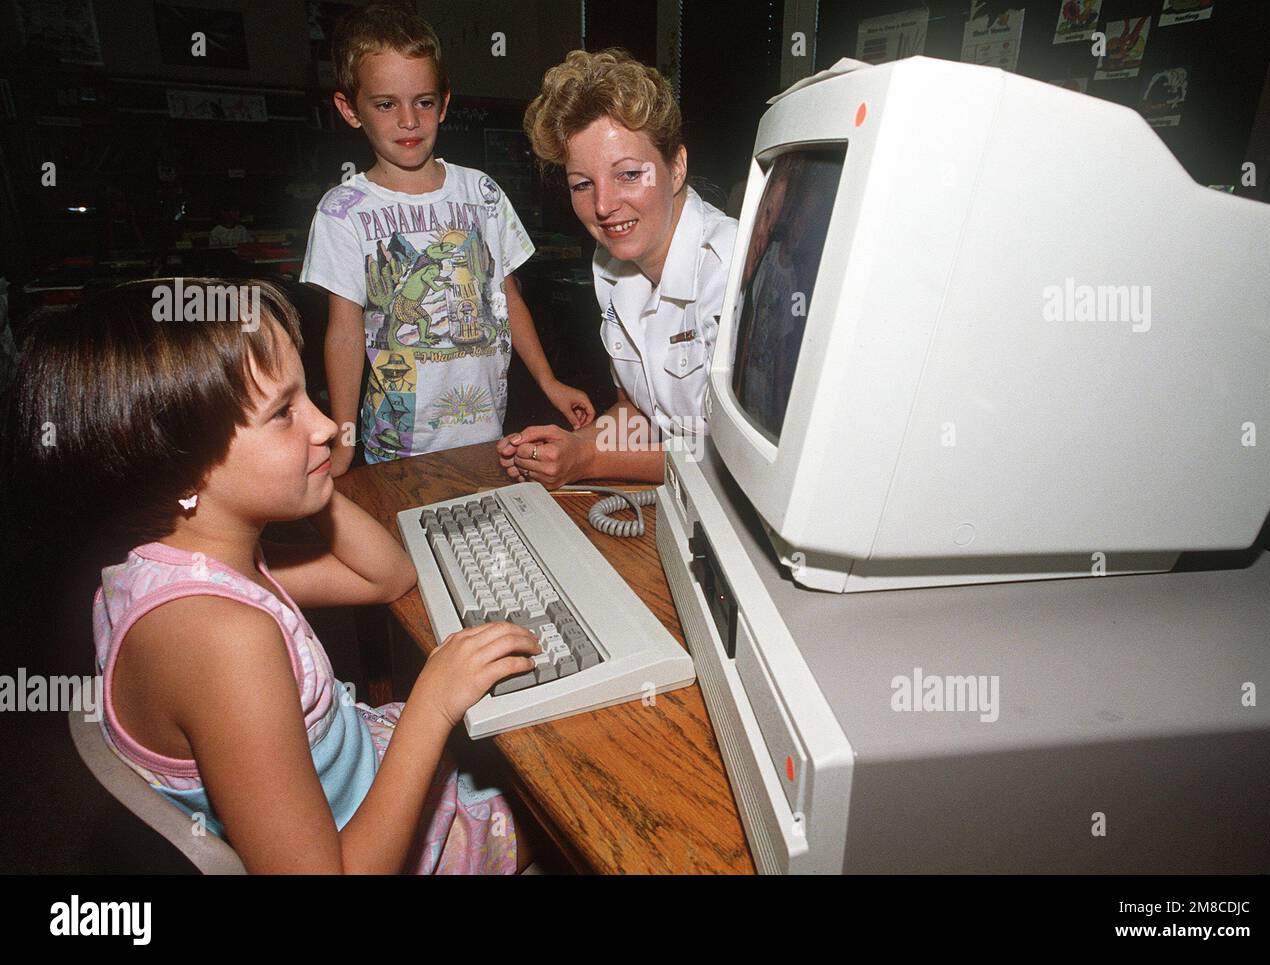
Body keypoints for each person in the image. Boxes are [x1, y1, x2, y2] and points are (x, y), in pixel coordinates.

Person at [6, 279, 543, 873]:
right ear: (181, 468)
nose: (326, 426)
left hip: (365, 768)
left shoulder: (183, 568)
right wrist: (432, 703)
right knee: (564, 804)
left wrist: (311, 478)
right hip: (381, 841)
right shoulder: (220, 638)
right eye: (283, 413)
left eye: (306, 396)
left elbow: (387, 578)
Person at [302, 3, 593, 474]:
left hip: (485, 432)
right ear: (350, 110)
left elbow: (506, 296)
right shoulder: (342, 210)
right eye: (385, 104)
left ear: (445, 102)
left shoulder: (482, 191)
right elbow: (343, 331)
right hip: (395, 439)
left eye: (423, 101)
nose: (409, 121)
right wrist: (344, 438)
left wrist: (548, 381)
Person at [497, 48, 737, 488]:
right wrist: (574, 446)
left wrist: (588, 460)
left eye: (628, 174)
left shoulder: (733, 271)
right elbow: (638, 412)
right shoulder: (610, 264)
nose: (604, 207)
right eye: (582, 185)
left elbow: (732, 463)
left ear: (677, 165)